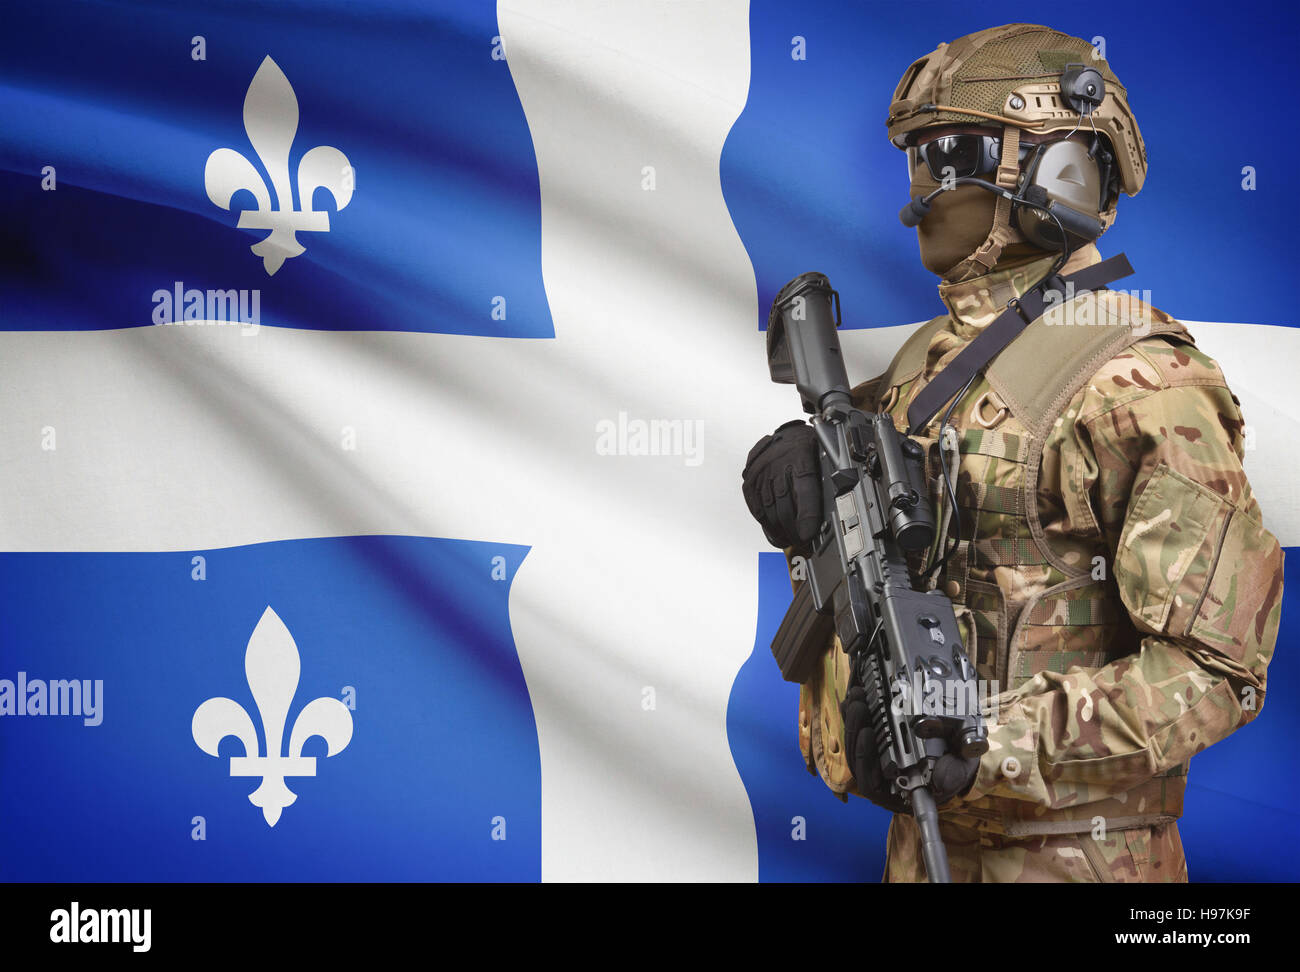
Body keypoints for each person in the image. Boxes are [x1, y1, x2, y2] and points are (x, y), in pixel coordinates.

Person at [741, 23, 1284, 882]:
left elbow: (1215, 670)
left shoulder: (1141, 380)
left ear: (1054, 170)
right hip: (923, 849)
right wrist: (801, 479)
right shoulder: (931, 356)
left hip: (1080, 862)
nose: (921, 188)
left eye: (947, 152)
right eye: (917, 157)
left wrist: (986, 739)